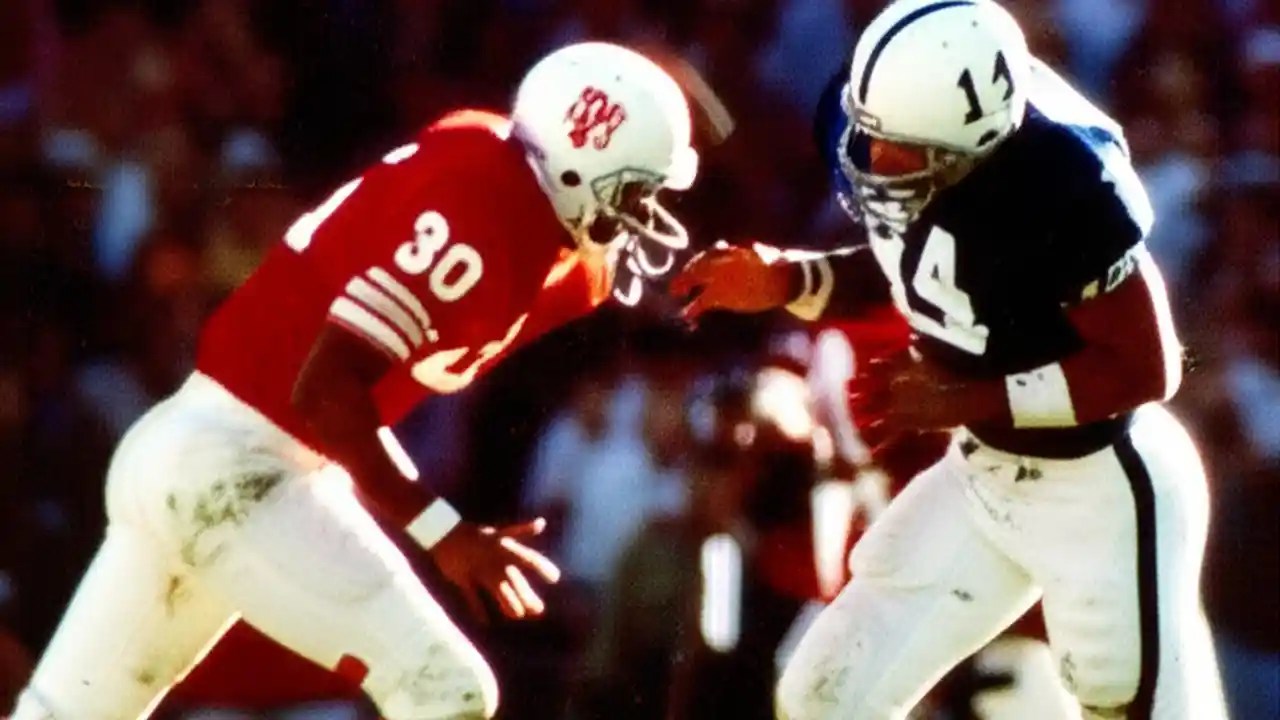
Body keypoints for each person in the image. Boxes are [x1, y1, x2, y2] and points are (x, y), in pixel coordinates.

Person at [11, 41, 700, 720]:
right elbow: (327, 391)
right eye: (634, 191)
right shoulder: (482, 218)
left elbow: (574, 274)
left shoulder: (496, 170)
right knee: (446, 690)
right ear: (577, 162)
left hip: (188, 449)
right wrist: (443, 531)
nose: (642, 214)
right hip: (243, 469)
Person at [671, 1, 1226, 717]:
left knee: (1122, 703)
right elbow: (923, 268)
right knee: (825, 695)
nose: (873, 157)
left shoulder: (1062, 185)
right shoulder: (898, 124)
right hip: (982, 474)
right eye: (872, 132)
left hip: (1102, 487)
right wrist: (789, 279)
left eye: (899, 145)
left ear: (975, 142)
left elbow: (1148, 369)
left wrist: (967, 399)